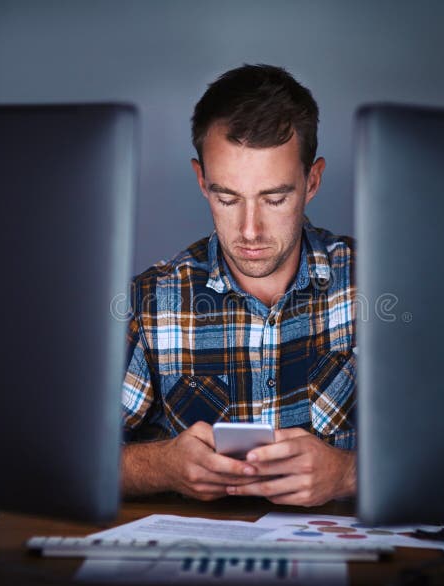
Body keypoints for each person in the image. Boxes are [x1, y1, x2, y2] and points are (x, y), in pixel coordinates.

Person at [120, 64, 356, 506]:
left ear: (312, 181)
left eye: (275, 199)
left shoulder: (376, 283)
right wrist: (163, 466)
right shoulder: (151, 302)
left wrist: (348, 474)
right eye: (227, 198)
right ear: (201, 181)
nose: (250, 230)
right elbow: (70, 459)